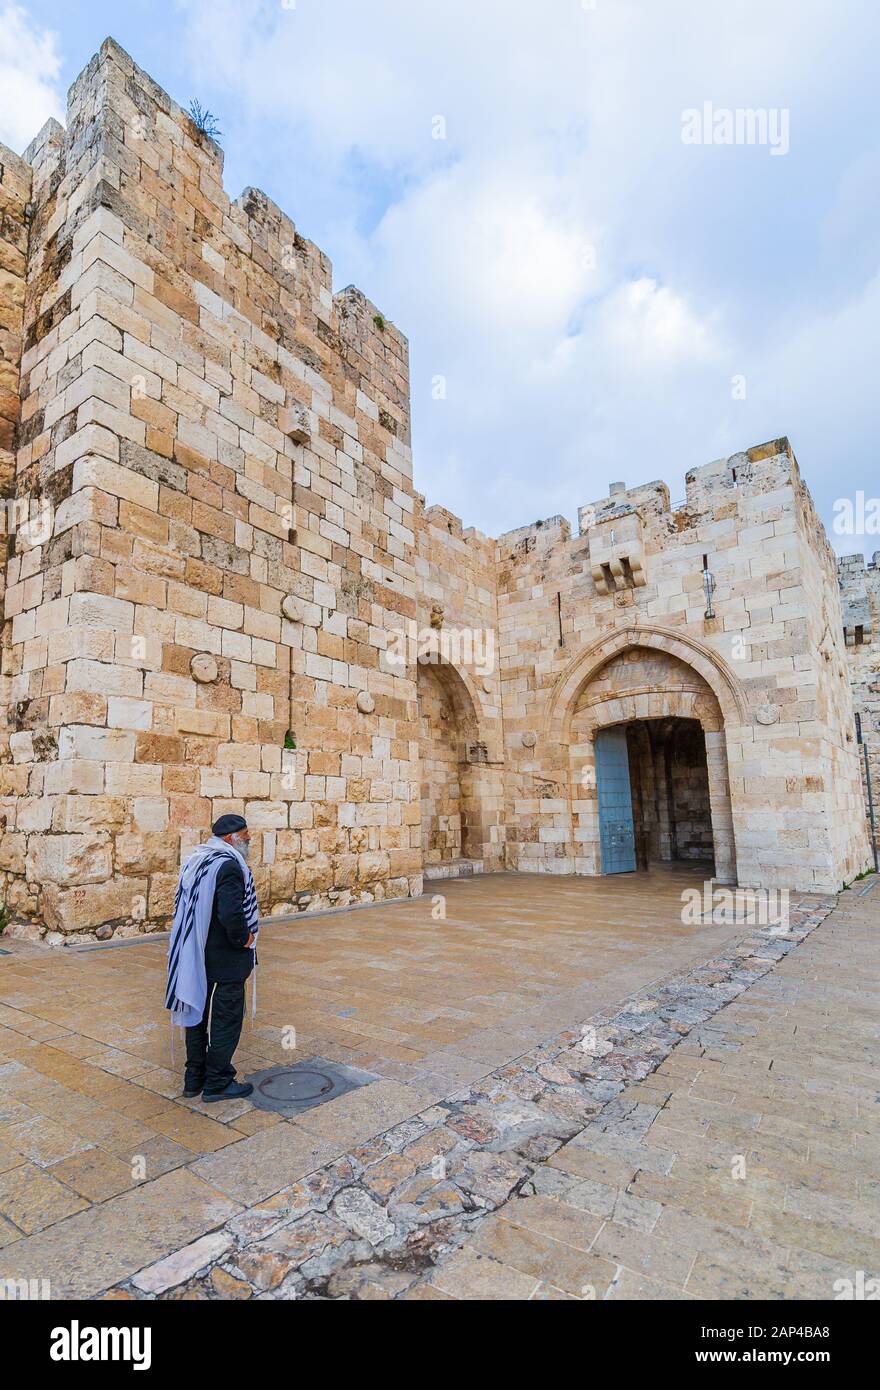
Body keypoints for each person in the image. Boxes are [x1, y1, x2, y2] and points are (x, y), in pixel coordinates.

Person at [165, 814, 259, 1102]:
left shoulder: (199, 860)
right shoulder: (229, 865)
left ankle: (194, 1078)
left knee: (197, 1012)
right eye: (245, 835)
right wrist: (244, 938)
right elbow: (230, 913)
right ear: (231, 838)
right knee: (226, 1017)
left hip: (195, 950)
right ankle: (218, 1080)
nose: (249, 839)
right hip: (225, 956)